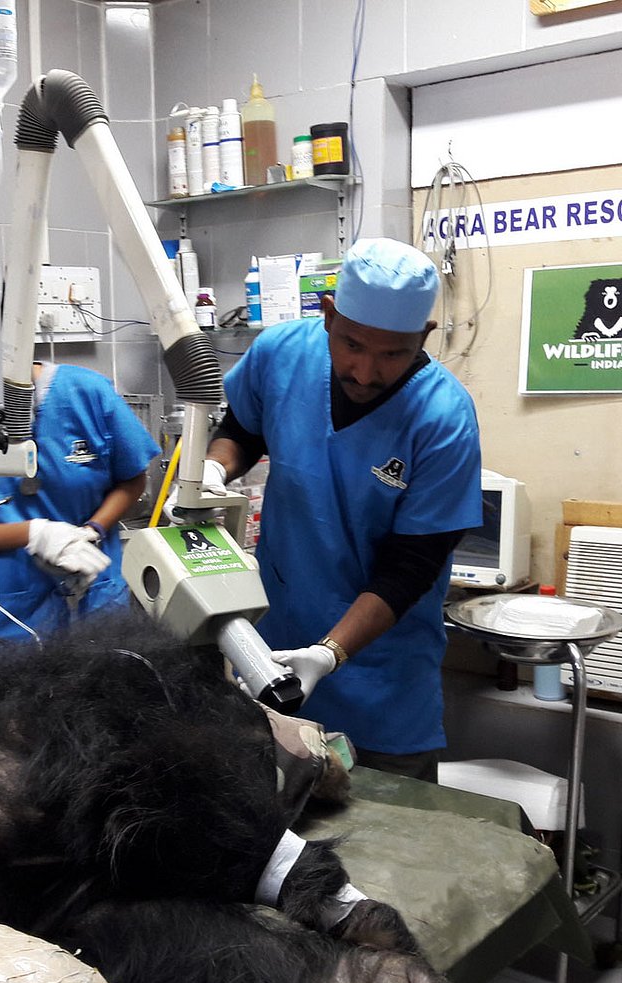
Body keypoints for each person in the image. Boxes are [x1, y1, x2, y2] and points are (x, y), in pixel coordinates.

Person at [204, 238, 482, 782]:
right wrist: (215, 469)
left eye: (392, 354)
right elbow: (240, 430)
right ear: (328, 315)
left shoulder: (444, 419)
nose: (365, 371)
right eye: (352, 344)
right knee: (280, 837)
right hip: (272, 653)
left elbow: (410, 571)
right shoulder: (280, 354)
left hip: (383, 682)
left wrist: (329, 654)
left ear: (424, 337)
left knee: (397, 845)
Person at [0, 283, 160, 640]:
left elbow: (133, 480)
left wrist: (90, 532)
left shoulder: (86, 393)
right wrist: (37, 534)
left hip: (96, 599)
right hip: (4, 615)